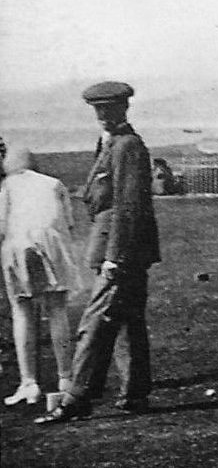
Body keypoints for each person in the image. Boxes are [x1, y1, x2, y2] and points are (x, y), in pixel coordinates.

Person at [38, 82, 161, 424]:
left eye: (110, 109)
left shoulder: (128, 146)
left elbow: (129, 205)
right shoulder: (109, 144)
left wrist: (115, 256)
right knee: (126, 320)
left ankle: (78, 398)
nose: (103, 116)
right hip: (117, 247)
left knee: (96, 322)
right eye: (98, 110)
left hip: (120, 250)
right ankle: (135, 393)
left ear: (124, 109)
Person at [2, 148, 86, 406]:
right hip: (53, 244)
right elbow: (69, 223)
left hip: (19, 243)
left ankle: (29, 383)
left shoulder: (7, 186)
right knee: (57, 310)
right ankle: (66, 379)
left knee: (22, 310)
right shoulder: (53, 184)